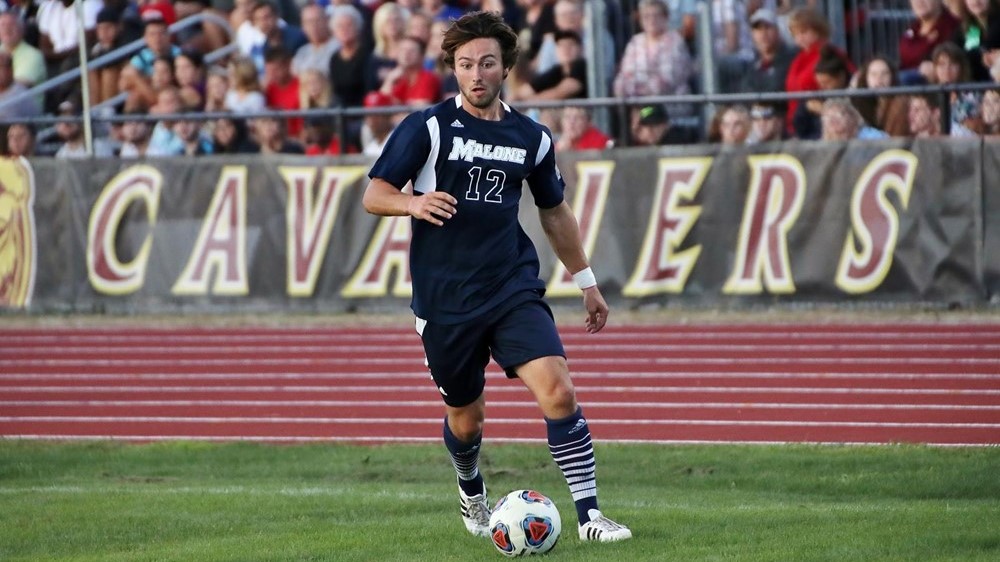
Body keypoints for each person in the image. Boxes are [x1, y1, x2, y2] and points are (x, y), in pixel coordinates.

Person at [362, 10, 632, 544]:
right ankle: (470, 484)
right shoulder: (428, 128)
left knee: (558, 390)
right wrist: (412, 204)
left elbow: (554, 212)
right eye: (465, 65)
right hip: (445, 301)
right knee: (467, 421)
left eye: (487, 62)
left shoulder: (531, 136)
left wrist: (587, 281)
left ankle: (590, 518)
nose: (477, 73)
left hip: (512, 286)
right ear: (454, 70)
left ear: (505, 66)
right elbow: (374, 195)